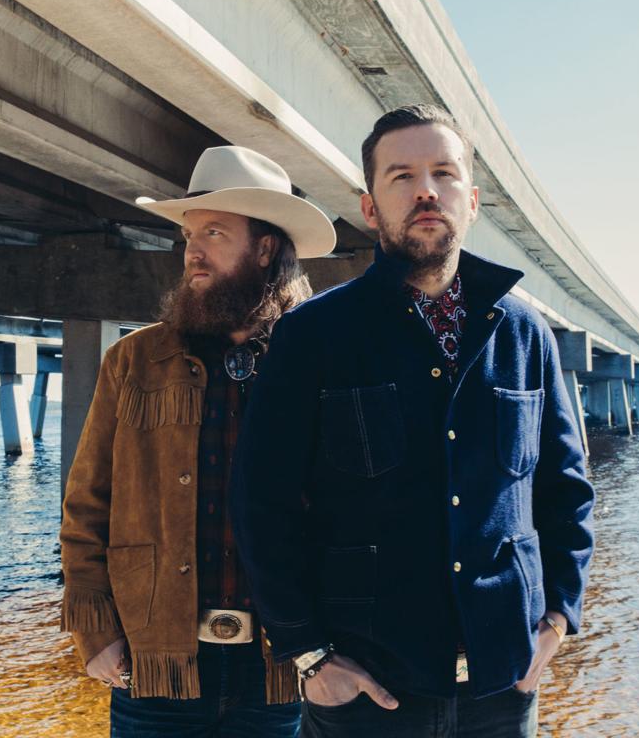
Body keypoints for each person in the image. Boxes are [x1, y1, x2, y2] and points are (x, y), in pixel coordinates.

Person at [230, 104, 596, 738]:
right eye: (401, 176)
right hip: (368, 691)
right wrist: (310, 655)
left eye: (444, 173)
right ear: (370, 208)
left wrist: (559, 619)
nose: (427, 190)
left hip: (503, 686)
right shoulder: (312, 336)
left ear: (472, 200)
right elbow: (262, 503)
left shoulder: (525, 335)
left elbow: (566, 490)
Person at [59, 145, 337, 736]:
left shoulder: (317, 362)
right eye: (189, 233)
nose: (193, 250)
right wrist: (95, 633)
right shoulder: (133, 360)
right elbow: (86, 508)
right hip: (154, 664)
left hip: (282, 664)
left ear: (265, 249)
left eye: (214, 231)